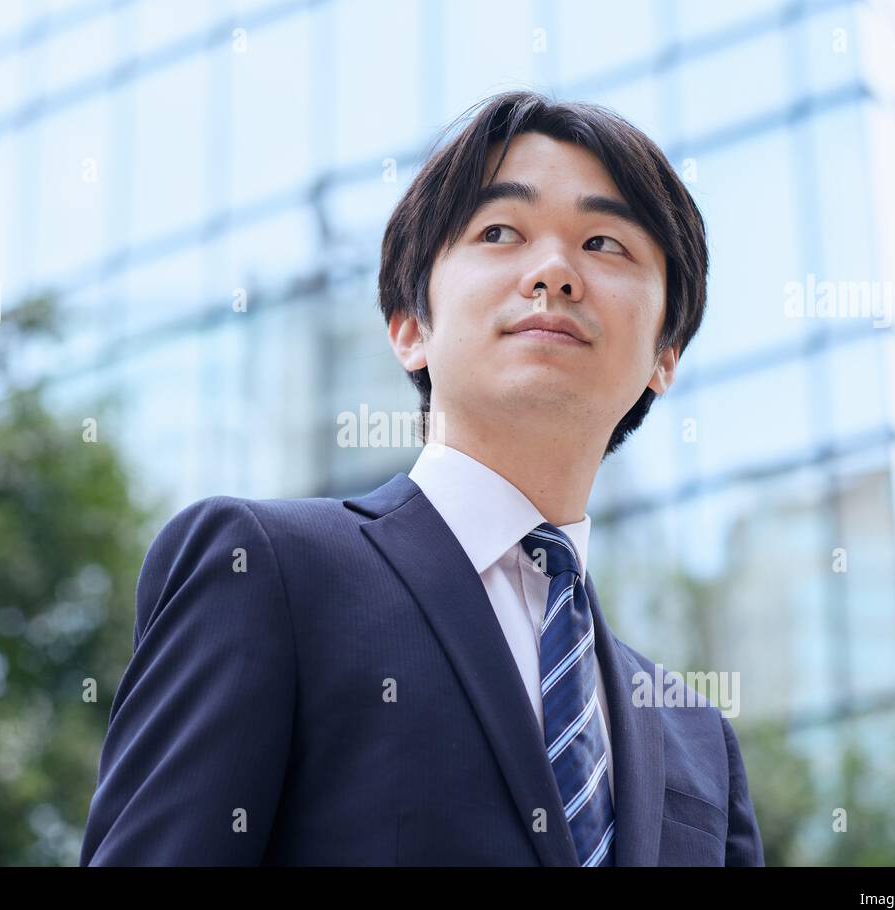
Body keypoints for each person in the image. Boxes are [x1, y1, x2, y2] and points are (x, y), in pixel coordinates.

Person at [81, 90, 764, 866]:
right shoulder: (264, 569)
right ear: (410, 328)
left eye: (606, 243)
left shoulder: (698, 738)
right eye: (500, 231)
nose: (554, 272)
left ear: (664, 356)